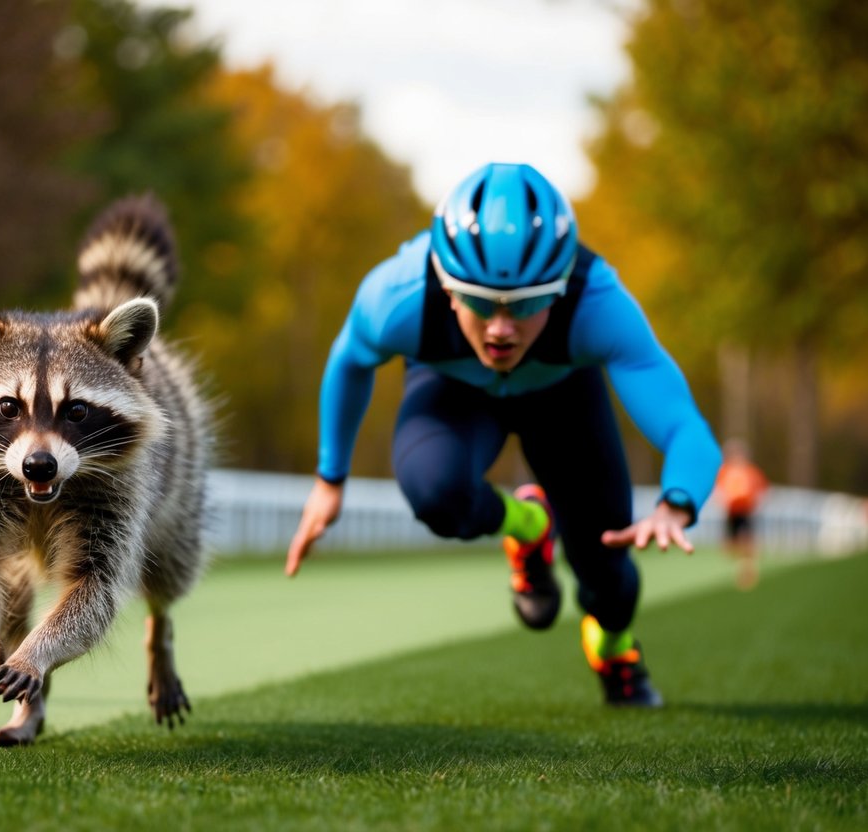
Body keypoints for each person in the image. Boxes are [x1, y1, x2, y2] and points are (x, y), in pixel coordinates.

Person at [286, 162, 722, 707]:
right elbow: (348, 362)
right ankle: (529, 524)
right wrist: (331, 478)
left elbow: (686, 426)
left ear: (560, 290)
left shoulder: (599, 304)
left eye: (526, 305)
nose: (500, 329)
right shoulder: (396, 293)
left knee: (608, 577)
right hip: (452, 391)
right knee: (436, 492)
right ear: (445, 284)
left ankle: (613, 648)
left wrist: (677, 503)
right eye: (479, 300)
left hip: (563, 398)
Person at [714, 438, 769, 590]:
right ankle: (734, 568)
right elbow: (719, 489)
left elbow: (761, 489)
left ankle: (747, 568)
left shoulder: (751, 471)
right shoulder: (724, 471)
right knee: (730, 541)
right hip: (731, 510)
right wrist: (720, 501)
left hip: (746, 510)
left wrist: (757, 503)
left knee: (747, 540)